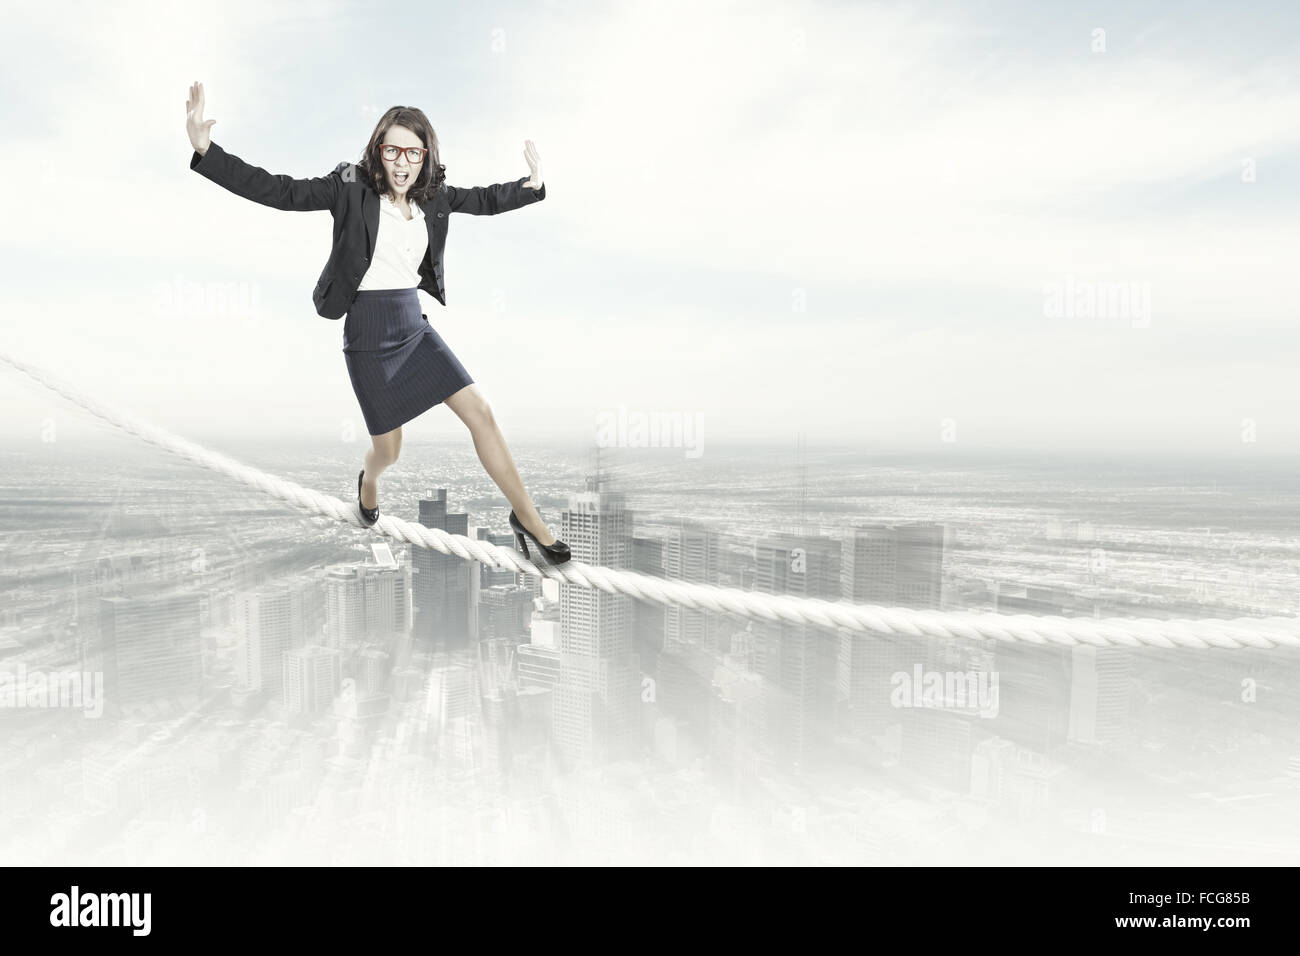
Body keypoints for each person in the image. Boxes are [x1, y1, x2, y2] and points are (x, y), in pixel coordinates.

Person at [184, 81, 569, 565]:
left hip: (414, 327)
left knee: (482, 413)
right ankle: (368, 483)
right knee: (389, 450)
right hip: (367, 334)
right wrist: (206, 151)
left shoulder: (433, 198)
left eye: (413, 151)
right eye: (393, 150)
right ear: (378, 150)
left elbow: (485, 199)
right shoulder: (349, 187)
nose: (403, 162)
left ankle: (527, 518)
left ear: (426, 155)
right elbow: (280, 190)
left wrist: (530, 186)